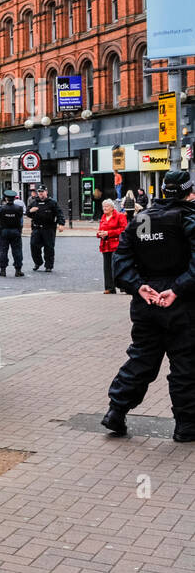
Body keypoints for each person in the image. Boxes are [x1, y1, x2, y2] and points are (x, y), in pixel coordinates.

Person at [102, 170, 195, 442]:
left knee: (141, 358)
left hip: (147, 301)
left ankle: (116, 411)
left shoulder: (142, 219)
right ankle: (186, 426)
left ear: (165, 191)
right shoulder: (188, 217)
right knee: (187, 365)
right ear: (189, 192)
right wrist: (178, 289)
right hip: (183, 303)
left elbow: (120, 261)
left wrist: (137, 286)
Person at [26, 184, 66, 272]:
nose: (40, 194)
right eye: (39, 192)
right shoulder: (34, 202)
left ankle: (48, 265)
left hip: (48, 228)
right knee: (34, 246)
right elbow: (27, 213)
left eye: (42, 192)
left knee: (49, 248)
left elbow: (59, 213)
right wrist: (30, 211)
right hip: (37, 228)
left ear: (46, 192)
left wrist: (61, 224)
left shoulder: (52, 203)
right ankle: (38, 262)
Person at [97, 199, 127, 294]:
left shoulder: (119, 216)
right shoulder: (103, 217)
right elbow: (100, 230)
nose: (104, 208)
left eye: (106, 206)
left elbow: (124, 229)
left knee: (117, 266)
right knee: (107, 267)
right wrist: (99, 234)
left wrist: (108, 233)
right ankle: (110, 288)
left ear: (112, 208)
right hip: (105, 245)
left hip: (116, 244)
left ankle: (124, 286)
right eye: (103, 207)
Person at [0, 189, 24, 277]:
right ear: (14, 198)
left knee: (3, 251)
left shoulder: (1, 208)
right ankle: (18, 270)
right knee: (17, 251)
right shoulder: (19, 208)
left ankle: (3, 270)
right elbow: (20, 218)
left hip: (4, 231)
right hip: (15, 231)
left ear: (6, 198)